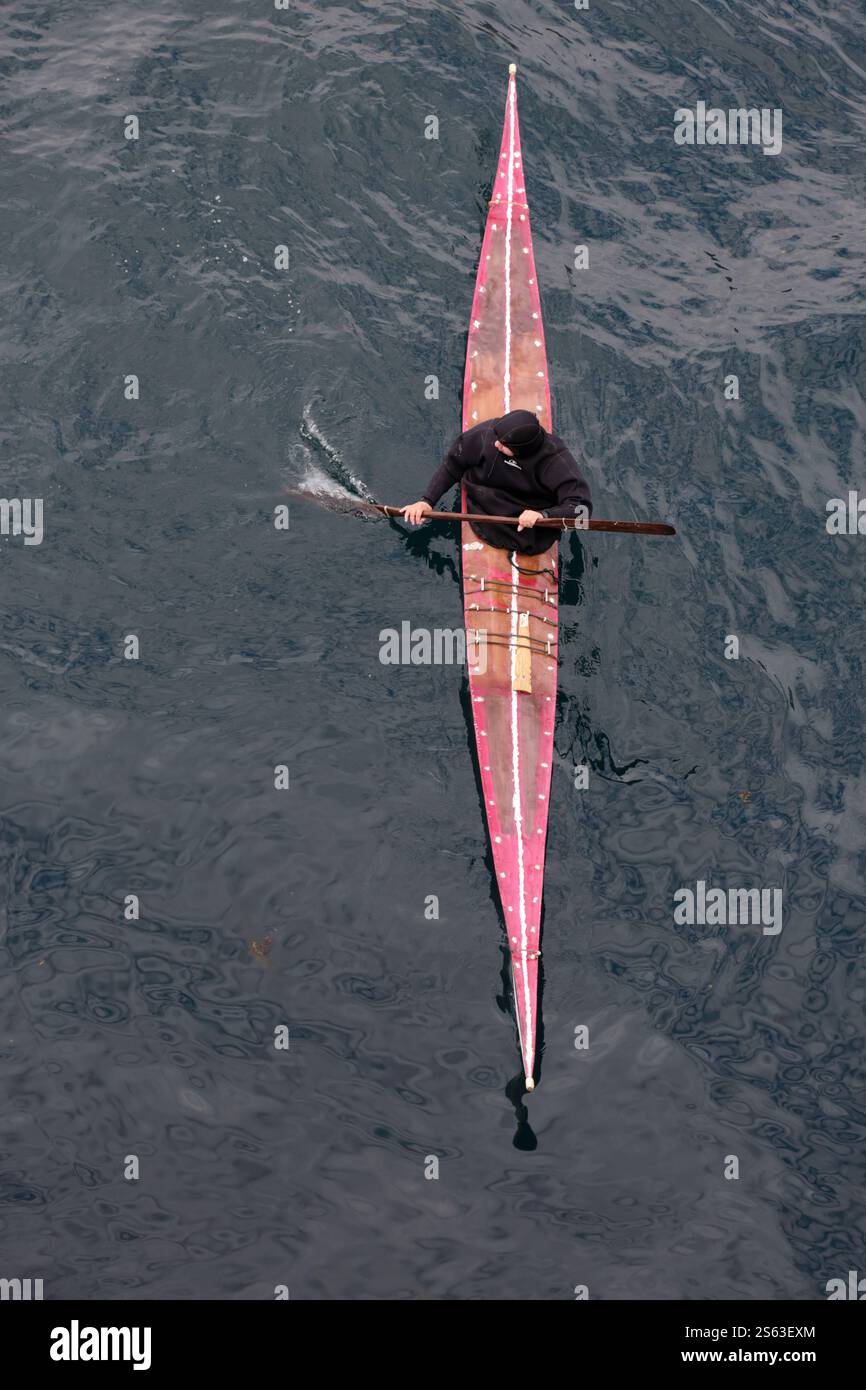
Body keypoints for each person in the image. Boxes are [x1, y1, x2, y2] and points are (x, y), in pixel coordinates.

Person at [401, 410, 592, 554]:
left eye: (504, 445)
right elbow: (454, 463)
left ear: (522, 450)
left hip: (528, 517)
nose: (496, 444)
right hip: (481, 497)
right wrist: (427, 500)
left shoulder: (556, 459)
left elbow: (581, 508)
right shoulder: (489, 434)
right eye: (497, 437)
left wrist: (543, 515)